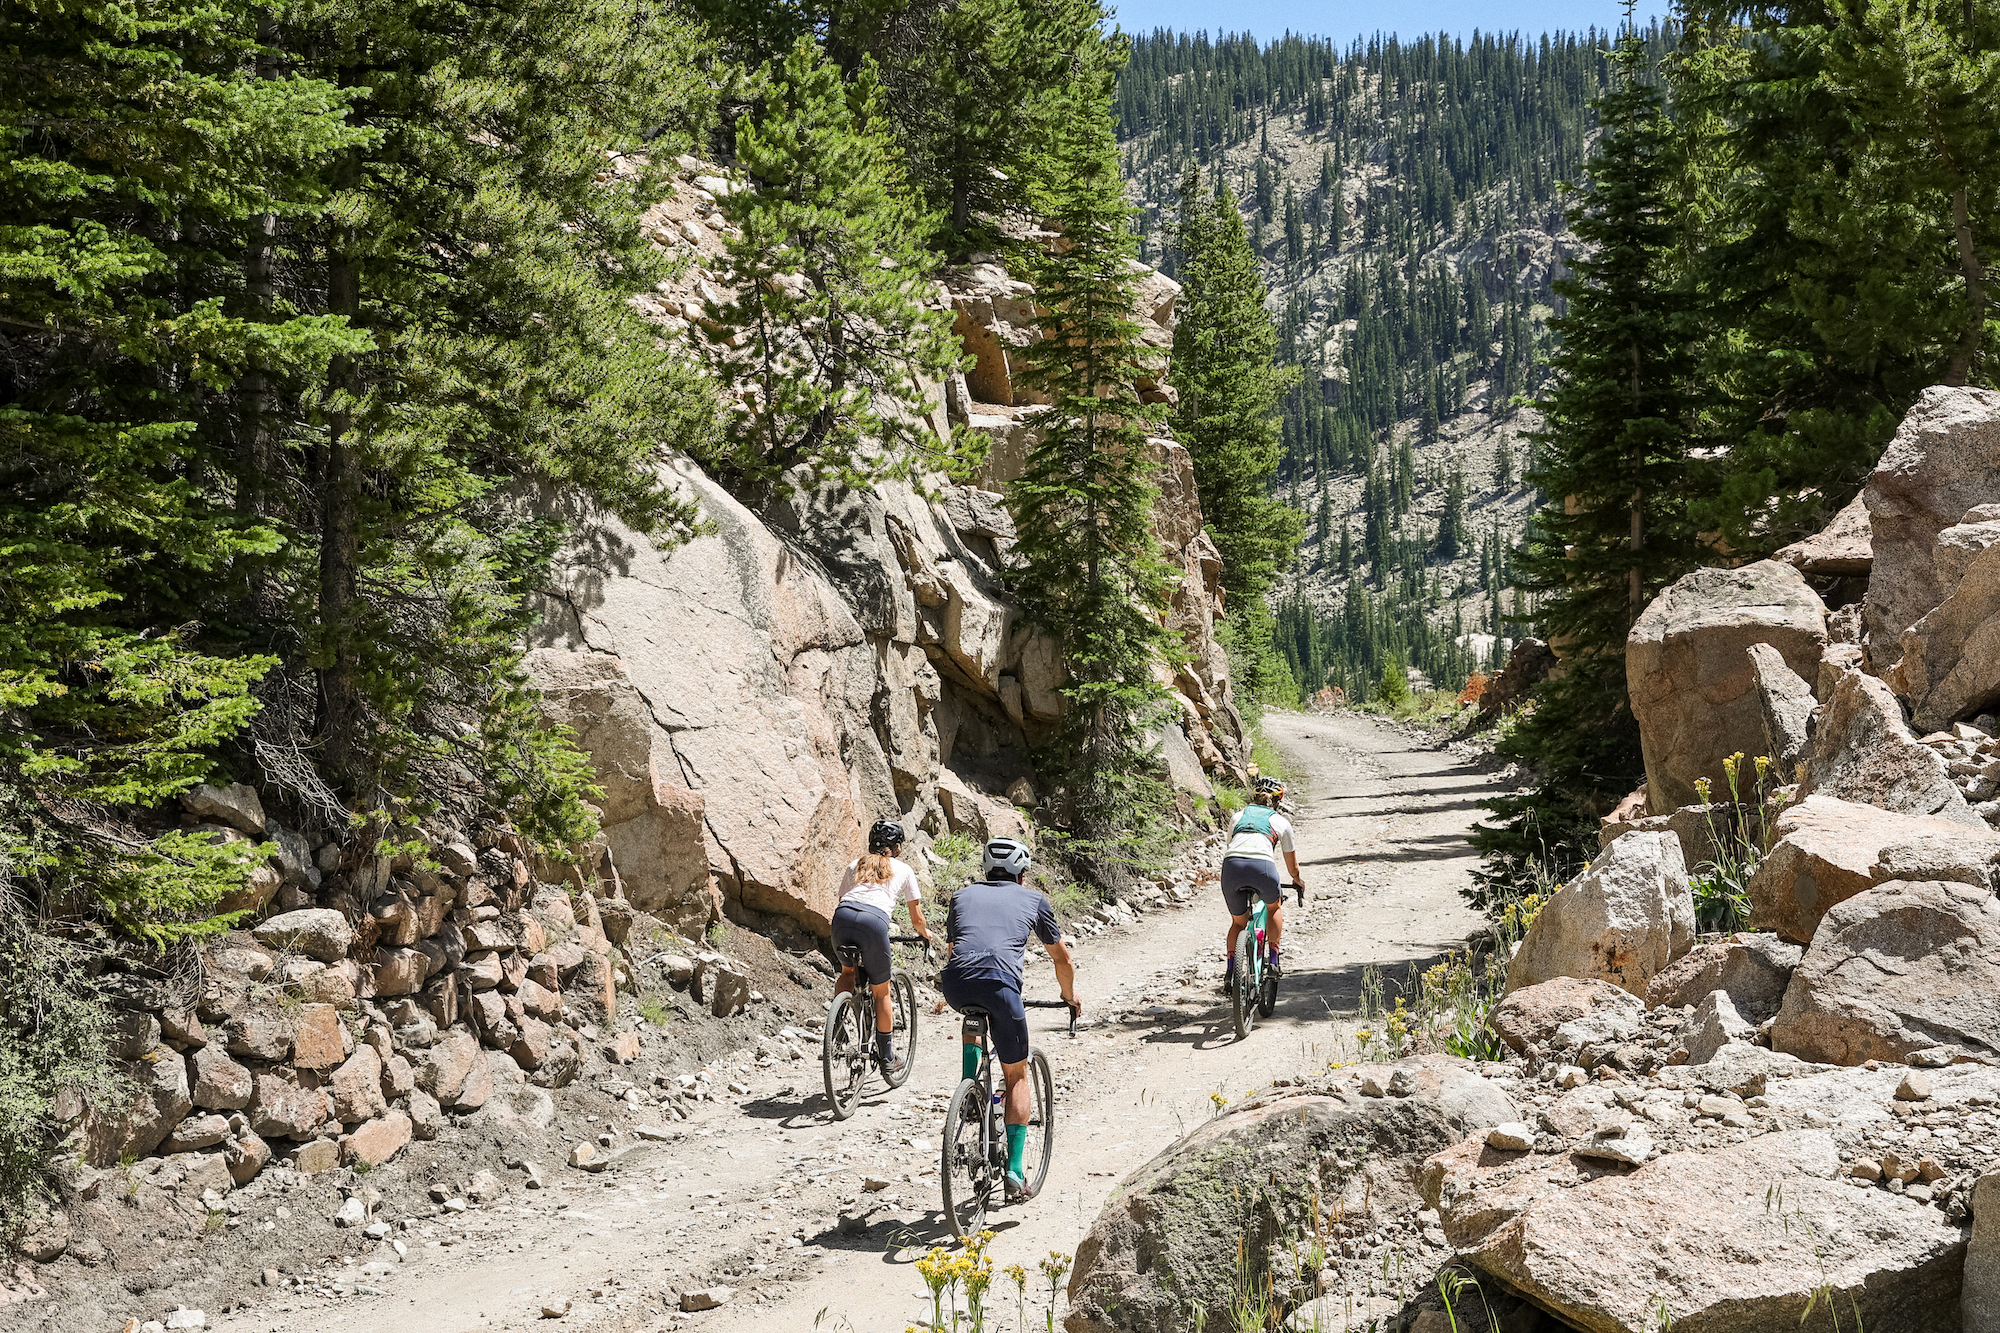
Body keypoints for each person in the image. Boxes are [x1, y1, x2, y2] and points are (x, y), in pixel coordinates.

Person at [938, 837, 1080, 1202]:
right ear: (1022, 873)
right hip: (1001, 988)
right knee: (1015, 1074)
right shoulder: (1033, 900)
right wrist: (1069, 996)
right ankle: (1015, 1170)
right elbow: (1061, 959)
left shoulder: (961, 896)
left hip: (955, 984)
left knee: (973, 1015)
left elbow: (956, 950)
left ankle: (970, 1087)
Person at [831, 819, 933, 1077]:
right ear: (897, 848)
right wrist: (926, 934)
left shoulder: (855, 864)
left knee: (847, 974)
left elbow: (845, 898)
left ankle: (837, 1030)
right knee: (881, 992)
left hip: (842, 919)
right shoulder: (904, 869)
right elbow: (917, 919)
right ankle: (887, 1057)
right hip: (873, 924)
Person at [1221, 775, 1305, 988]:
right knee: (1274, 907)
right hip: (1262, 869)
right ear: (1278, 800)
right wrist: (1297, 880)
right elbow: (1292, 866)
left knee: (1238, 922)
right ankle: (1274, 961)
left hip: (1232, 867)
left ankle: (1231, 971)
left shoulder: (1238, 816)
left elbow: (1231, 845)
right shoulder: (1281, 823)